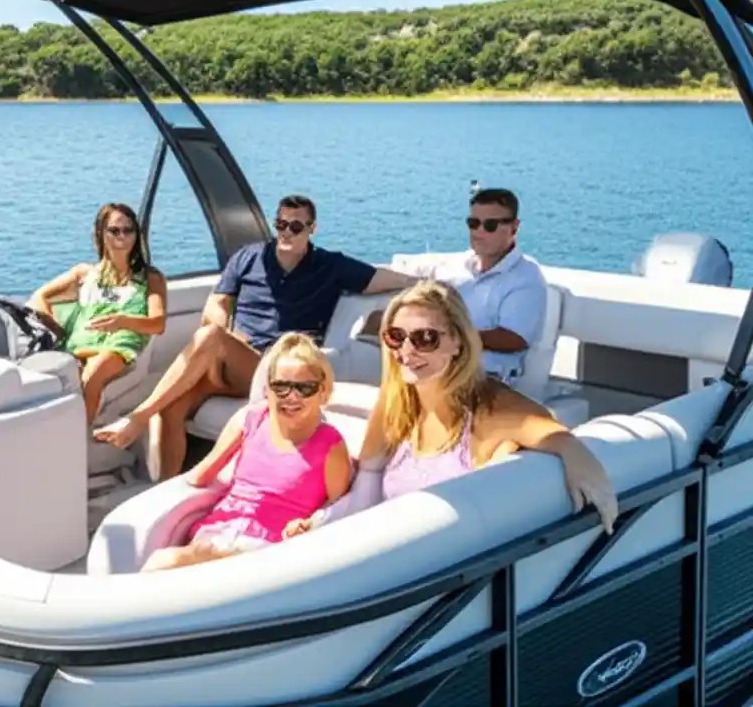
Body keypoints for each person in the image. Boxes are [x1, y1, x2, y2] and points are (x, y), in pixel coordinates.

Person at [95, 194, 417, 479]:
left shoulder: (329, 265)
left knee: (210, 339)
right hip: (235, 359)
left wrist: (429, 283)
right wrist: (227, 335)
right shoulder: (248, 257)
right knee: (172, 406)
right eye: (281, 224)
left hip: (276, 366)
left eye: (296, 227)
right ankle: (168, 495)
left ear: (312, 229)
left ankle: (138, 417)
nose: (287, 233)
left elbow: (382, 279)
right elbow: (217, 303)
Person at [286, 280, 618, 539]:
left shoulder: (487, 406)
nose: (407, 350)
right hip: (381, 554)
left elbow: (550, 431)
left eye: (426, 338)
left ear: (458, 342)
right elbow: (367, 488)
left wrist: (580, 457)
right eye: (396, 336)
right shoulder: (398, 403)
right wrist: (321, 524)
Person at [140, 332, 353, 571]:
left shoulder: (329, 445)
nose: (291, 397)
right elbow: (201, 475)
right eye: (281, 386)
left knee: (166, 563)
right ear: (267, 390)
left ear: (323, 392)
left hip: (271, 549)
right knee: (168, 563)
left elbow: (342, 508)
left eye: (305, 388)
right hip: (221, 530)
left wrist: (309, 524)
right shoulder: (250, 419)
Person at [361, 187, 547, 387]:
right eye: (473, 224)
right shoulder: (454, 267)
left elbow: (513, 339)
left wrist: (447, 337)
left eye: (490, 225)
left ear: (514, 227)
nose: (479, 232)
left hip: (486, 379)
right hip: (433, 368)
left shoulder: (526, 278)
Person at [28, 203, 167, 424]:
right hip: (80, 343)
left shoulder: (150, 277)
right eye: (114, 230)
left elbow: (158, 323)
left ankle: (79, 441)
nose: (122, 236)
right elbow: (40, 297)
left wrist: (122, 321)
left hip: (118, 345)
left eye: (128, 230)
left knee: (93, 375)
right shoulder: (84, 273)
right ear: (100, 234)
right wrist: (57, 332)